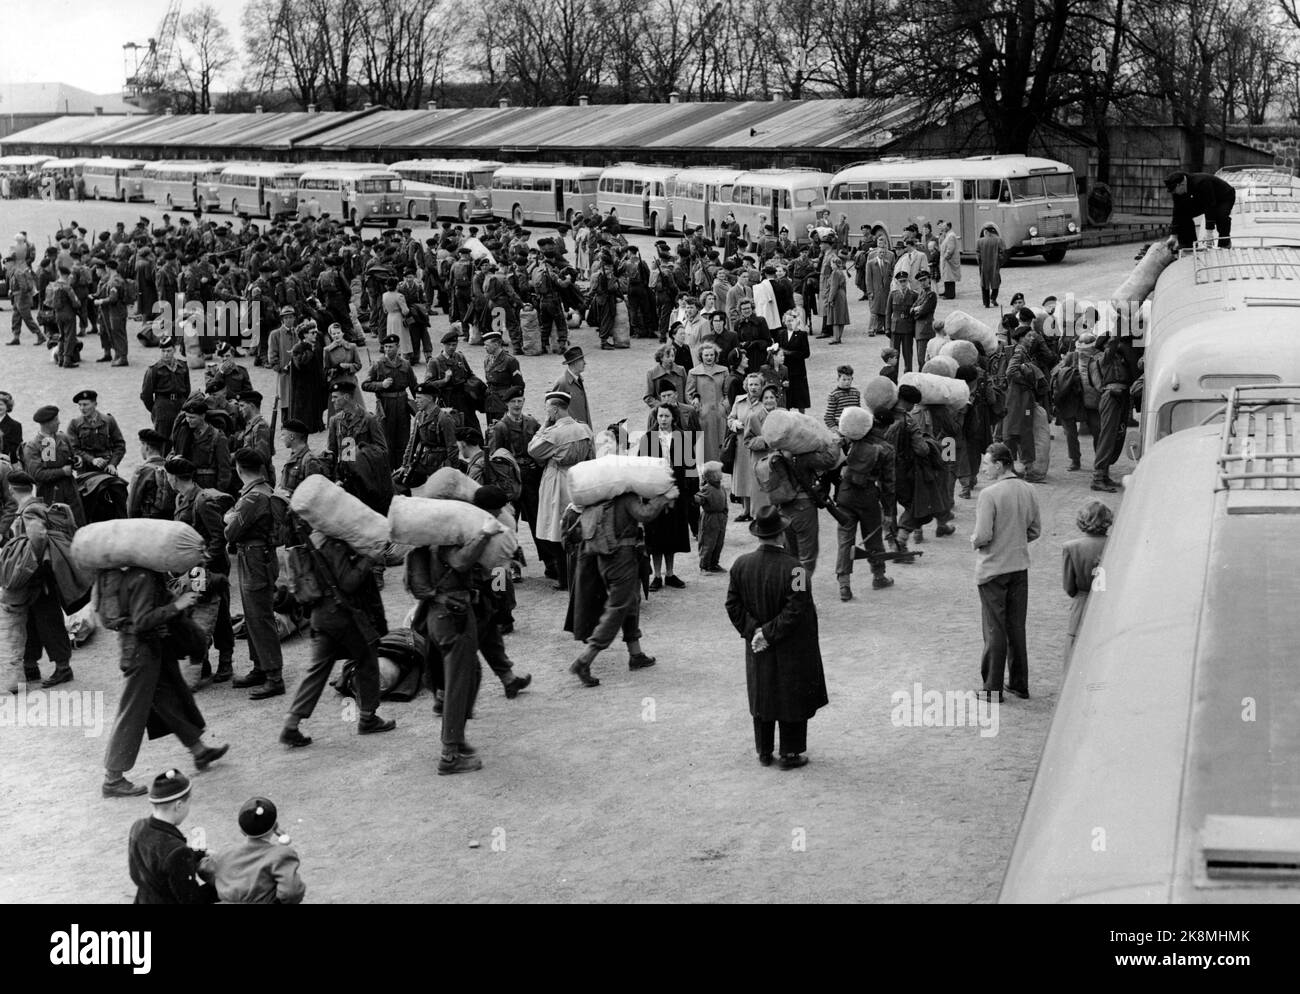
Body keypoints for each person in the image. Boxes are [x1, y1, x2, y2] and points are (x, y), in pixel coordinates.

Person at [100, 554, 230, 799]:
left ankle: (199, 751)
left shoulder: (143, 573)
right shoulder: (143, 577)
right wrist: (177, 606)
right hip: (141, 652)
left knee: (170, 700)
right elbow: (142, 621)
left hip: (151, 649)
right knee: (132, 712)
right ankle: (112, 779)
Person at [725, 506, 828, 770]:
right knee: (790, 695)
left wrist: (755, 632)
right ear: (781, 535)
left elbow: (733, 605)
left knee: (762, 694)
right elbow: (797, 609)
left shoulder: (740, 565)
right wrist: (769, 633)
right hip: (789, 645)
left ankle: (764, 750)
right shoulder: (796, 570)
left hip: (757, 646)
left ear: (758, 535)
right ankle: (790, 753)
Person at [405, 496, 501, 774]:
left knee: (469, 673)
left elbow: (420, 587)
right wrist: (483, 535)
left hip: (438, 616)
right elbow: (460, 562)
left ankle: (456, 738)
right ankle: (449, 755)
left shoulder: (422, 547)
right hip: (453, 618)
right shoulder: (445, 543)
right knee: (459, 682)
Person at [279, 524, 395, 747]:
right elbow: (348, 582)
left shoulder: (313, 539)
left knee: (317, 670)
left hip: (321, 616)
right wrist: (369, 558)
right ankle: (368, 717)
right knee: (367, 659)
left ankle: (291, 723)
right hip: (343, 617)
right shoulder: (334, 544)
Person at [566, 485, 674, 687]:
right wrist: (663, 498)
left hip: (605, 557)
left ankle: (636, 654)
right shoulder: (626, 497)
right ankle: (585, 660)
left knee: (630, 601)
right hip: (622, 557)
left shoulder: (601, 496)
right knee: (617, 608)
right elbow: (646, 514)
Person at [971, 442, 1041, 702]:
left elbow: (983, 535)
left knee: (994, 629)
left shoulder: (989, 494)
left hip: (993, 569)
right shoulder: (1029, 489)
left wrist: (974, 541)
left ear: (1000, 465)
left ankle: (992, 688)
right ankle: (1020, 683)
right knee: (1016, 626)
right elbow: (1035, 530)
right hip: (1019, 566)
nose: (984, 469)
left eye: (987, 464)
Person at [166, 456, 236, 690]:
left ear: (174, 478)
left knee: (219, 613)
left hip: (210, 568)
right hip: (192, 569)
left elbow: (219, 536)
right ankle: (202, 662)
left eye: (168, 476)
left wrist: (205, 561)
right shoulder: (181, 498)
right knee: (195, 612)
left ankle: (226, 661)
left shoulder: (202, 501)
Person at [1, 472, 75, 692]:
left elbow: (38, 537)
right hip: (35, 578)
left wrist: (27, 565)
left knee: (49, 620)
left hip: (38, 578)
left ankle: (63, 667)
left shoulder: (30, 510)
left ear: (12, 490)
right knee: (32, 622)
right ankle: (31, 665)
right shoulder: (31, 507)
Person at [224, 448, 286, 699]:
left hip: (255, 559)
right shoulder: (263, 491)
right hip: (258, 558)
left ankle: (274, 676)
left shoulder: (252, 498)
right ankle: (261, 666)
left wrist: (227, 518)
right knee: (252, 615)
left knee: (260, 617)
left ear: (239, 469)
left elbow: (230, 532)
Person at [527, 391, 594, 590]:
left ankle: (565, 577)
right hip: (579, 478)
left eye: (548, 410)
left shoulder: (553, 433)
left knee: (556, 528)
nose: (547, 413)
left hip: (557, 480)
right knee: (578, 526)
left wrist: (545, 425)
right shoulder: (584, 428)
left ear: (555, 409)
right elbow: (592, 456)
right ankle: (580, 574)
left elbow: (533, 449)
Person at [126, 771, 217, 901]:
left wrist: (201, 853)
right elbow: (192, 900)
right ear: (179, 806)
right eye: (189, 803)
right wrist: (222, 887)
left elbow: (137, 872)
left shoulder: (138, 826)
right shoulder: (178, 852)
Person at [212, 797, 306, 905]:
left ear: (242, 831)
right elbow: (291, 892)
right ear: (276, 826)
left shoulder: (225, 854)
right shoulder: (281, 854)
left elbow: (205, 869)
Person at [637, 406, 692, 590]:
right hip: (654, 494)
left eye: (666, 416)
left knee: (672, 533)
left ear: (673, 418)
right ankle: (657, 576)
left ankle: (670, 574)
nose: (663, 419)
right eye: (660, 415)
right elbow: (641, 465)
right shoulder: (648, 438)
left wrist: (691, 491)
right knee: (655, 534)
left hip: (676, 492)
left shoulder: (682, 437)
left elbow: (690, 464)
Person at [1062, 498, 1112, 668]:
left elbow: (1069, 588)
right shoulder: (1114, 544)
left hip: (1082, 603)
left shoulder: (1072, 547)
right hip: (1108, 604)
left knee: (1075, 655)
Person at [24, 404, 86, 526]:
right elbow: (36, 474)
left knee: (78, 524)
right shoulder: (33, 446)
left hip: (71, 491)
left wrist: (78, 461)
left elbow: (73, 456)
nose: (59, 422)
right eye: (56, 420)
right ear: (48, 423)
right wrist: (62, 471)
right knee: (57, 529)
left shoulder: (63, 438)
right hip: (50, 495)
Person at [362, 334, 416, 471]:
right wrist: (381, 385)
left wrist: (420, 404)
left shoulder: (405, 364)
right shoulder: (378, 364)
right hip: (385, 405)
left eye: (391, 347)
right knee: (387, 438)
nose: (387, 349)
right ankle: (388, 469)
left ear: (398, 347)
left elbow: (414, 386)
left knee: (403, 437)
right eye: (385, 347)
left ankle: (402, 468)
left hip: (402, 405)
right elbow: (365, 384)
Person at [1091, 334, 1133, 493]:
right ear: (1105, 347)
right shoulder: (1102, 358)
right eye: (1110, 344)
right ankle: (1097, 478)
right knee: (1107, 437)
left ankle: (1105, 474)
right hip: (1110, 397)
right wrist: (1119, 329)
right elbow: (1114, 344)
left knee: (1116, 437)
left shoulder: (1117, 358)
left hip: (1120, 397)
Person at [170, 397, 232, 494]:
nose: (188, 420)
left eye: (192, 417)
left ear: (202, 416)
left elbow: (224, 469)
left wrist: (218, 493)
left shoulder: (218, 437)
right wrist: (172, 459)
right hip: (187, 486)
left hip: (207, 487)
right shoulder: (184, 434)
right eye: (187, 416)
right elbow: (173, 452)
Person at [1166, 170, 1236, 248]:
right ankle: (1188, 244)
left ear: (1180, 185)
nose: (1173, 193)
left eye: (1174, 190)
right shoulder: (1177, 191)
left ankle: (1225, 243)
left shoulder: (1201, 182)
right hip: (1202, 198)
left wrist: (1209, 233)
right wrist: (1173, 235)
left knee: (1220, 216)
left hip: (1224, 197)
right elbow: (1177, 211)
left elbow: (1209, 206)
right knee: (1183, 213)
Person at [427, 330, 480, 432]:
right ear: (443, 345)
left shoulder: (459, 357)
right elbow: (428, 385)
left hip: (464, 399)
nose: (452, 347)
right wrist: (444, 380)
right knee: (452, 428)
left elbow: (470, 374)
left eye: (454, 345)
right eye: (449, 345)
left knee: (471, 426)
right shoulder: (435, 362)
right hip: (447, 400)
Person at [140, 336, 191, 440]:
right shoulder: (154, 370)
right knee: (163, 441)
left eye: (168, 351)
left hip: (180, 405)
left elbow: (187, 389)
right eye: (163, 351)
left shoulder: (183, 366)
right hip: (163, 408)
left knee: (182, 438)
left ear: (174, 350)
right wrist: (156, 408)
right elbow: (146, 395)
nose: (166, 354)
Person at [686, 340, 728, 465]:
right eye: (706, 355)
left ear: (715, 356)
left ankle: (717, 476)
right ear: (701, 356)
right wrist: (696, 403)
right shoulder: (694, 372)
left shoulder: (723, 371)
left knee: (720, 446)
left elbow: (727, 393)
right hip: (703, 415)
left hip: (719, 415)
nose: (709, 358)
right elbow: (688, 393)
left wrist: (724, 407)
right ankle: (704, 476)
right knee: (703, 447)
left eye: (711, 355)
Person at [289, 322, 328, 433]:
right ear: (305, 335)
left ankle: (317, 424)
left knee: (316, 405)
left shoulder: (316, 346)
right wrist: (309, 351)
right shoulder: (298, 348)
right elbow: (300, 364)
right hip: (302, 386)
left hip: (315, 382)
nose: (315, 334)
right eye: (312, 333)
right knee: (304, 408)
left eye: (316, 332)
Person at [127, 429, 173, 520]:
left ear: (147, 447)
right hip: (169, 519)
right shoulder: (170, 467)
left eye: (141, 445)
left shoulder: (142, 471)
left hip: (149, 520)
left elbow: (132, 506)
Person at [695, 461, 728, 575]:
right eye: (719, 471)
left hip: (720, 518)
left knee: (719, 542)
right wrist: (696, 498)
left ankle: (714, 563)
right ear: (713, 475)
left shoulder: (722, 487)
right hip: (710, 518)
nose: (721, 473)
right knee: (708, 542)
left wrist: (724, 515)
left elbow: (725, 503)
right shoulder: (707, 488)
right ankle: (704, 565)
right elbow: (699, 499)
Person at [776, 309, 811, 412]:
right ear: (784, 322)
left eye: (792, 320)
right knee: (787, 397)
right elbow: (778, 348)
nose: (790, 323)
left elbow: (806, 353)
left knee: (800, 398)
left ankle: (802, 418)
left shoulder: (802, 335)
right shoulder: (781, 334)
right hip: (785, 369)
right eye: (788, 321)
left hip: (798, 370)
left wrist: (789, 353)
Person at [885, 272, 918, 374]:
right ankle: (893, 378)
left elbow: (916, 314)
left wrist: (915, 329)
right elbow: (888, 312)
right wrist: (887, 328)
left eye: (904, 281)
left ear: (907, 281)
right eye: (901, 281)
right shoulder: (893, 294)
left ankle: (908, 377)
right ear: (897, 282)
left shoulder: (913, 295)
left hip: (908, 329)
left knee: (908, 354)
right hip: (895, 329)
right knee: (894, 356)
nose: (903, 283)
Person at [552, 346, 592, 428]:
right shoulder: (562, 382)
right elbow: (554, 410)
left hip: (583, 430)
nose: (585, 363)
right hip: (571, 434)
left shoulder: (578, 379)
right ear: (574, 362)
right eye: (582, 360)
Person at [864, 235, 894, 336]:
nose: (882, 254)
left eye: (883, 252)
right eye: (880, 252)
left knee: (884, 309)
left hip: (885, 290)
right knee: (874, 310)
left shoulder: (888, 262)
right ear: (877, 252)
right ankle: (871, 329)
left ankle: (880, 327)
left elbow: (890, 274)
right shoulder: (870, 262)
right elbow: (868, 279)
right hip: (875, 290)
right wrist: (869, 291)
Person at [823, 364, 861, 430]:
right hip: (840, 427)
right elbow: (828, 417)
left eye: (849, 379)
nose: (847, 382)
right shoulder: (834, 395)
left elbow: (858, 411)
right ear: (838, 379)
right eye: (844, 379)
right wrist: (834, 427)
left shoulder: (856, 392)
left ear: (852, 379)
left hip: (854, 427)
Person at [824, 254, 850, 344]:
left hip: (836, 295)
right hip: (841, 295)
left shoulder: (835, 273)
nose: (831, 265)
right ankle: (839, 337)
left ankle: (836, 338)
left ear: (835, 264)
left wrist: (830, 299)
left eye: (831, 263)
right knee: (841, 317)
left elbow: (833, 287)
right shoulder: (841, 272)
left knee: (835, 318)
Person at [976, 226, 1004, 308]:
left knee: (984, 284)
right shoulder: (998, 240)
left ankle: (986, 303)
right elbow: (1002, 253)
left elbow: (978, 255)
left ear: (986, 232)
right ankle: (993, 297)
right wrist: (999, 263)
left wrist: (980, 264)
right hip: (995, 265)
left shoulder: (979, 241)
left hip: (984, 266)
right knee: (996, 282)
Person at [939, 220, 961, 299]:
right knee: (946, 277)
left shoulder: (951, 235)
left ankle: (950, 294)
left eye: (944, 226)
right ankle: (946, 291)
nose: (943, 228)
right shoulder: (947, 235)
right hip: (947, 260)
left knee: (950, 278)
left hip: (949, 261)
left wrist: (945, 257)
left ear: (948, 227)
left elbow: (950, 249)